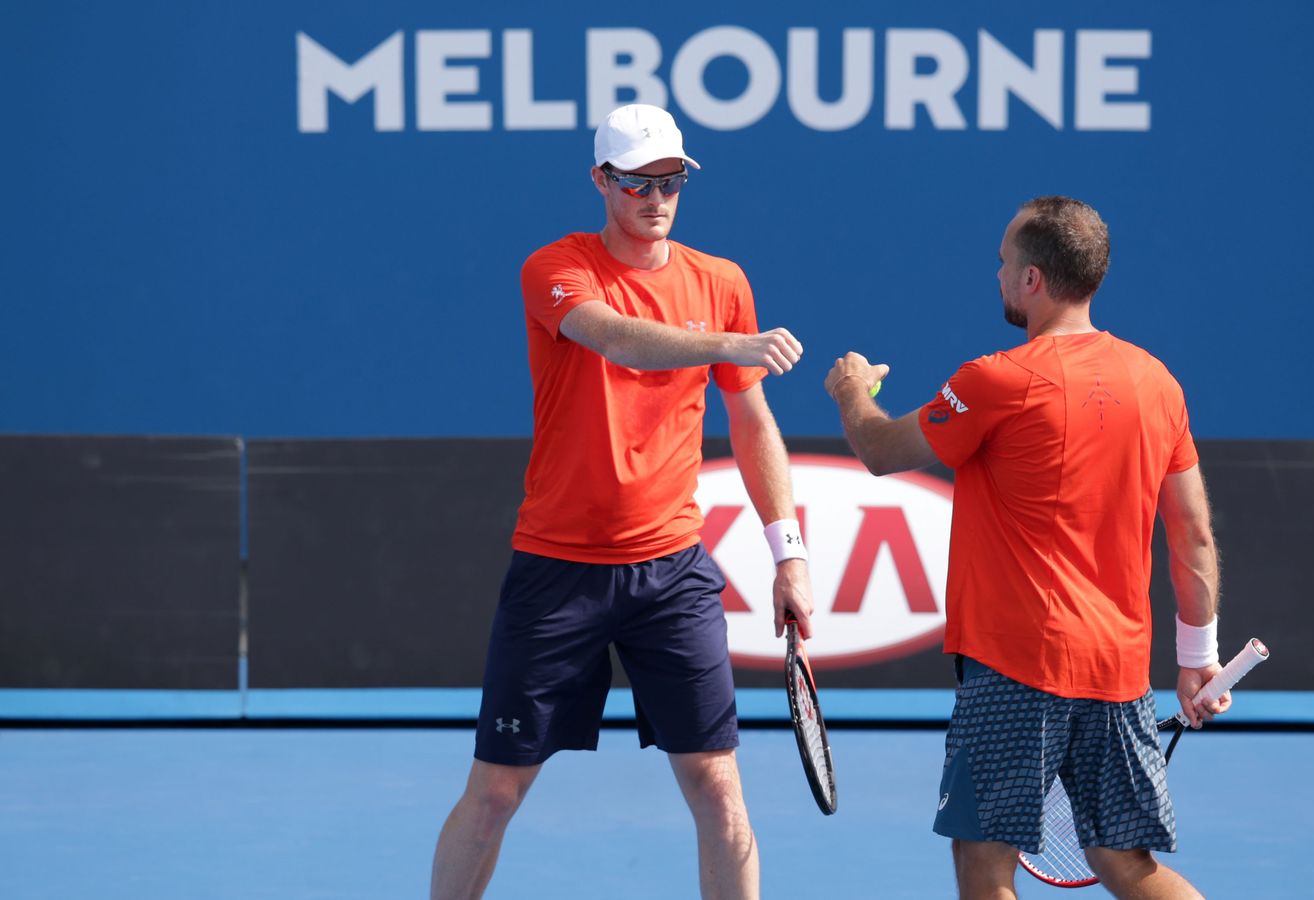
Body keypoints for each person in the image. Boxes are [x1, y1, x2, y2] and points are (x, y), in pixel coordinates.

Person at [430, 104, 815, 900]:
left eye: (670, 180)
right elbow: (616, 338)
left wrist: (789, 553)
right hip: (557, 572)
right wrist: (725, 343)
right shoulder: (555, 267)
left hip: (671, 575)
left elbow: (751, 422)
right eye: (637, 182)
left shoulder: (722, 281)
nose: (656, 197)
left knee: (719, 788)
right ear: (601, 182)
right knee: (497, 791)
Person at [822, 196, 1227, 900]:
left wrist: (852, 392)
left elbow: (881, 451)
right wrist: (1196, 659)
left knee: (985, 868)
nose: (999, 274)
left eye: (1005, 262)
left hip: (1017, 667)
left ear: (1033, 279)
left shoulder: (996, 380)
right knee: (1125, 864)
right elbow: (1191, 533)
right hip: (1119, 669)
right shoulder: (1158, 383)